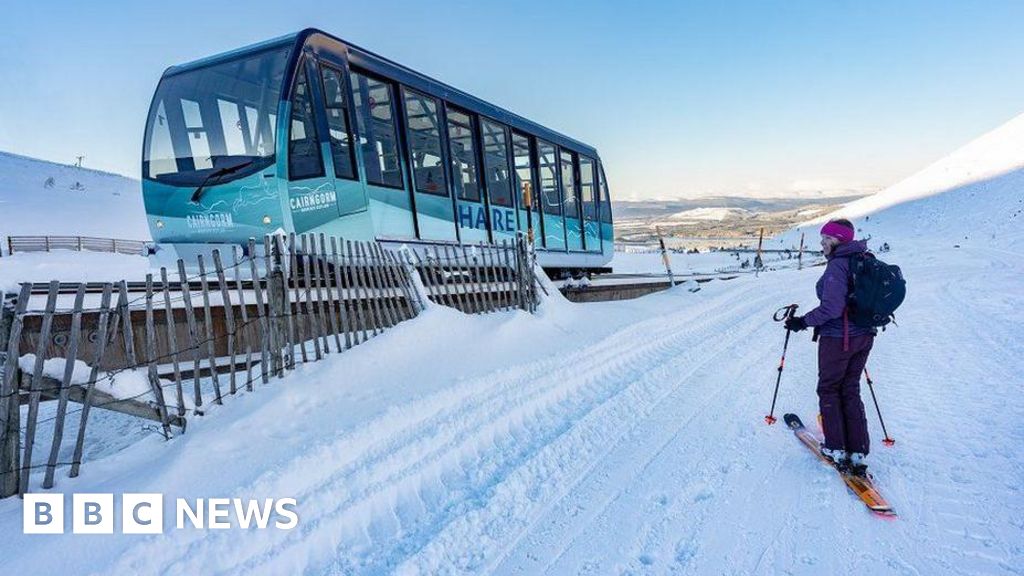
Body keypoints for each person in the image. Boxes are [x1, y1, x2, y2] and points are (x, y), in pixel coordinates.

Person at [784, 219, 875, 474]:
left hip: (839, 339)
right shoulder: (862, 257)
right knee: (850, 388)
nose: (822, 243)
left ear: (839, 240)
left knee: (829, 388)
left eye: (827, 239)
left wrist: (803, 321)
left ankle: (835, 447)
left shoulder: (838, 265)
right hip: (864, 335)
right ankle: (857, 450)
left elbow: (831, 308)